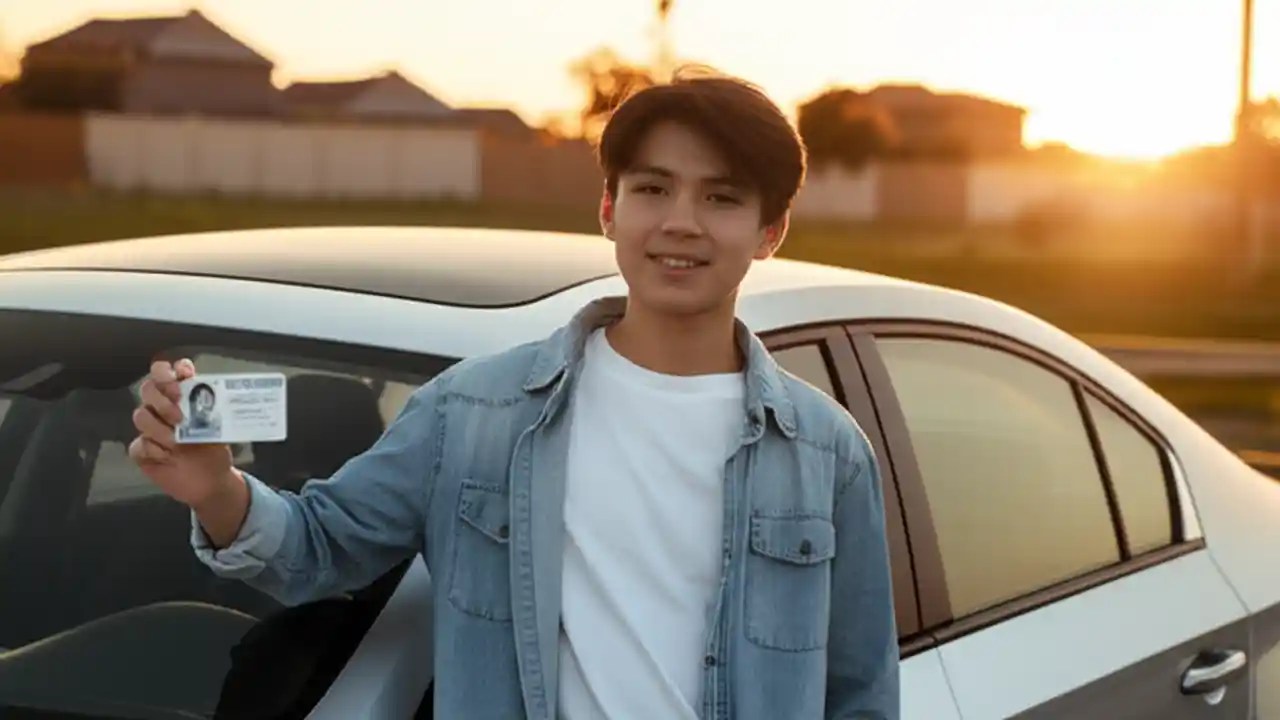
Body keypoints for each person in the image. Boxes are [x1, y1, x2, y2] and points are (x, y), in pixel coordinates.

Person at [129, 67, 899, 720]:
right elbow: (316, 550)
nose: (680, 223)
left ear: (771, 231)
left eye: (722, 199)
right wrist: (217, 489)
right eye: (653, 189)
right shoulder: (473, 413)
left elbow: (861, 694)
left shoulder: (826, 452)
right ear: (609, 209)